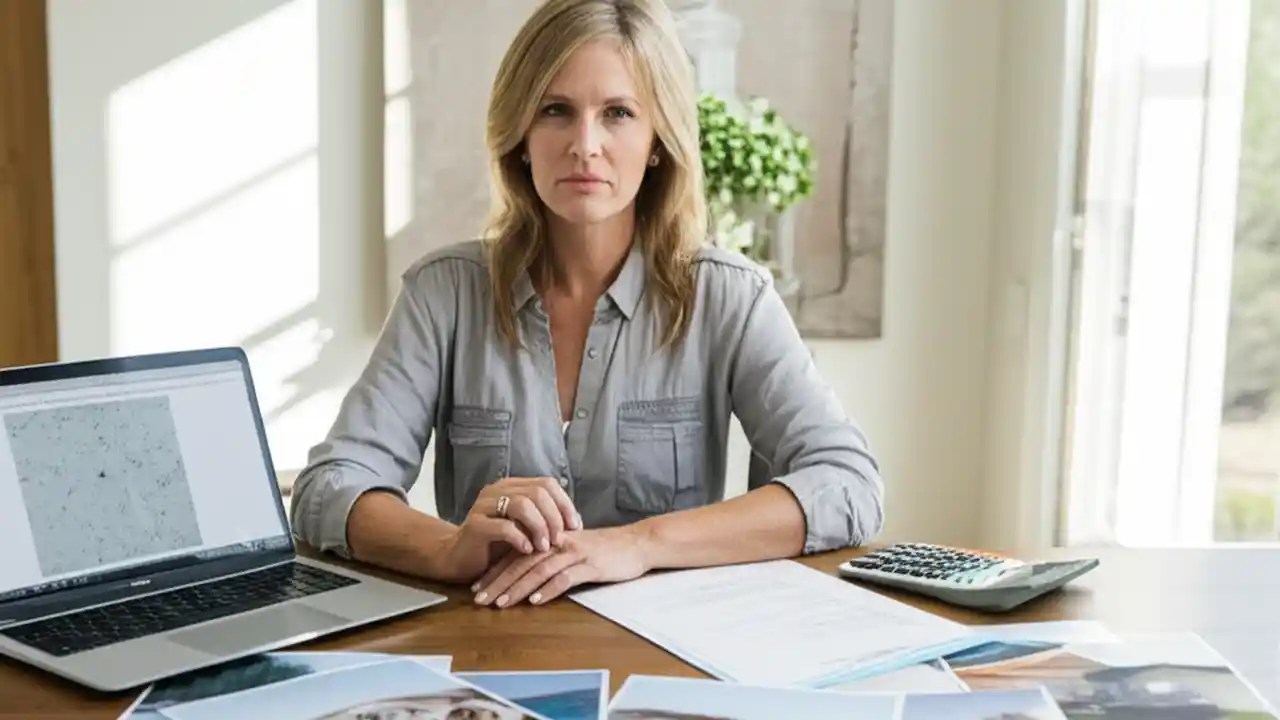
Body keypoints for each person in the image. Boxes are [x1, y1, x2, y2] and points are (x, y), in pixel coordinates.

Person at [289, 0, 882, 610]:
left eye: (618, 113)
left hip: (667, 646)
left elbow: (848, 485)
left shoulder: (731, 298)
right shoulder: (443, 294)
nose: (585, 144)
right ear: (521, 135)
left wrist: (639, 543)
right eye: (556, 111)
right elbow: (328, 488)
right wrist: (447, 548)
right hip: (489, 645)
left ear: (657, 140)